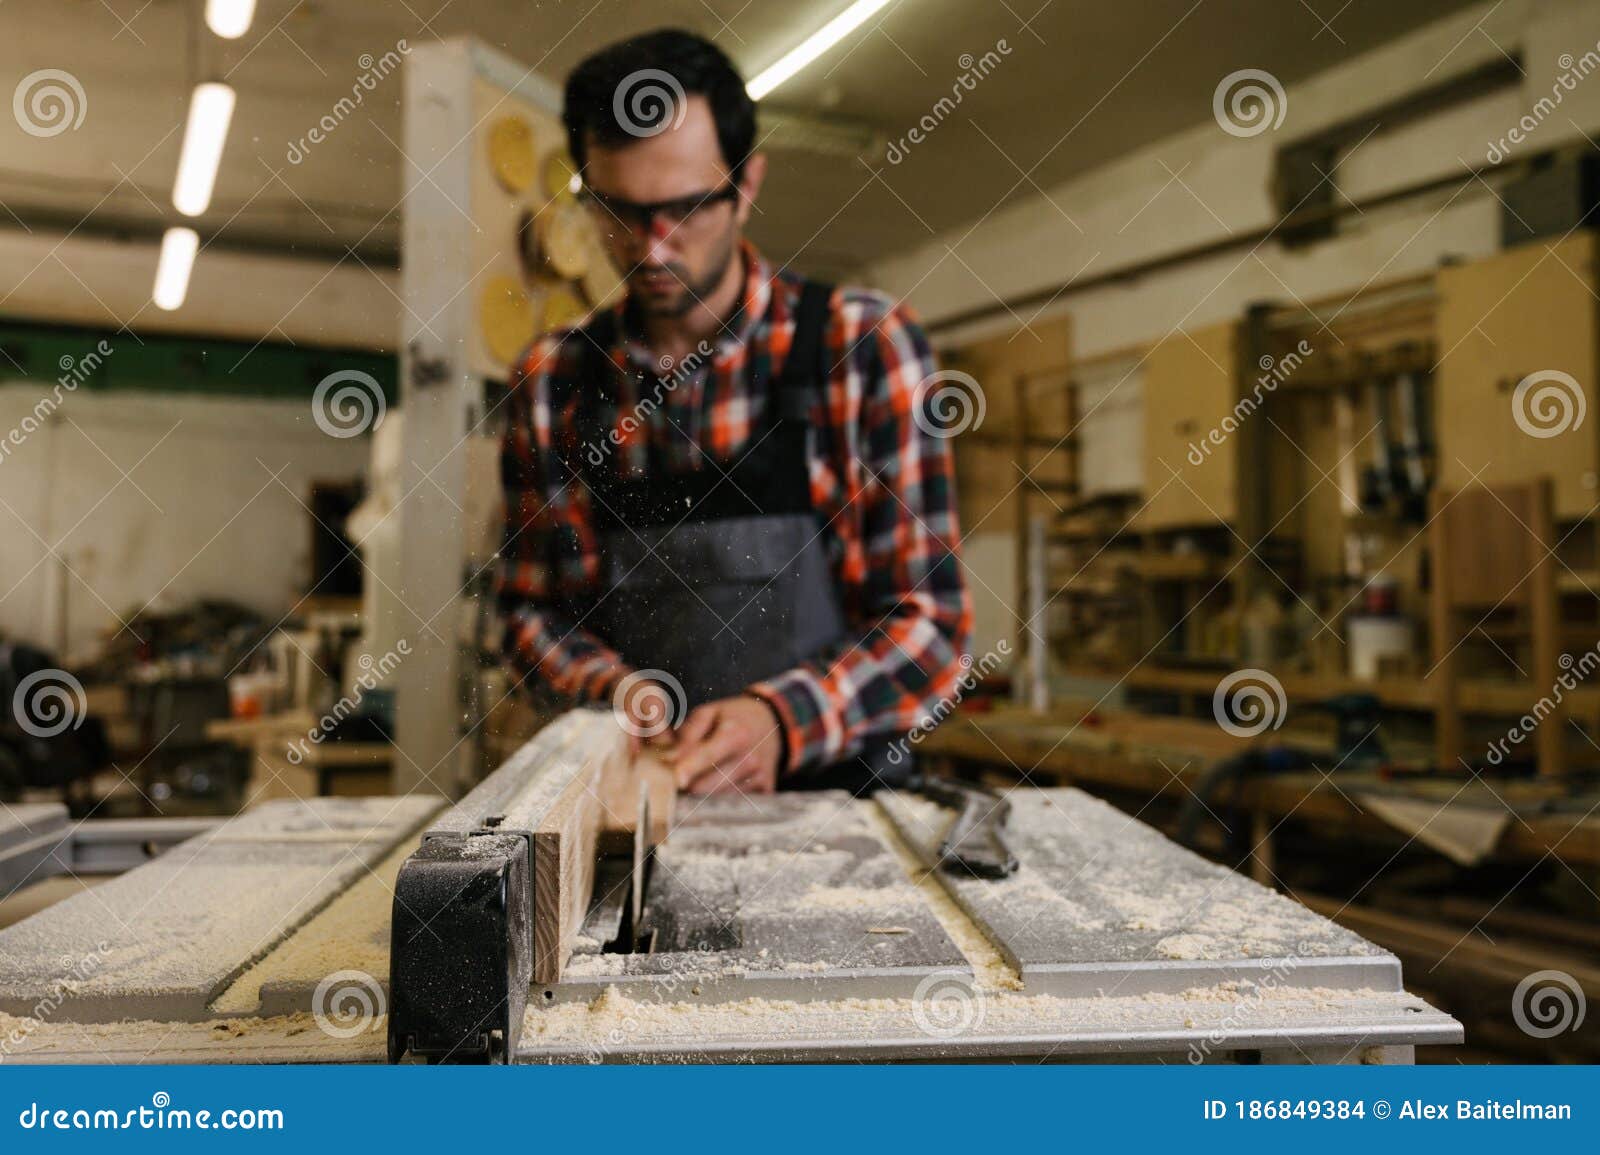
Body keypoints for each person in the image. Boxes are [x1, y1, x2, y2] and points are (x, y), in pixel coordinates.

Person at [498, 28, 970, 796]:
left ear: (746, 184)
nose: (652, 251)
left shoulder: (865, 347)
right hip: (643, 803)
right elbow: (530, 613)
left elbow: (932, 625)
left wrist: (783, 720)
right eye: (618, 212)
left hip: (837, 811)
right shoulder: (553, 381)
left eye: (685, 209)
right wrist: (612, 693)